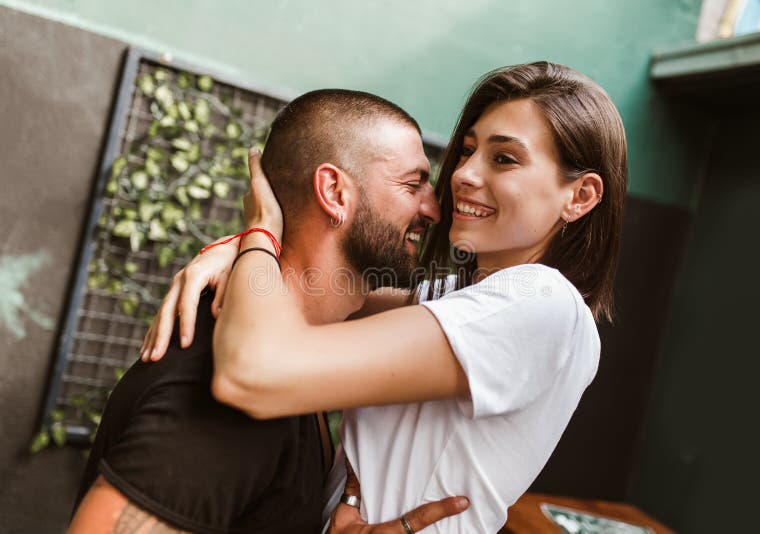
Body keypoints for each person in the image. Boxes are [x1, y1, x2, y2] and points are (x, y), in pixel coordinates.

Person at [144, 61, 627, 533]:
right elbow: (313, 291)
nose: (461, 175)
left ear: (580, 196)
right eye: (466, 151)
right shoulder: (459, 302)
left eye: (504, 158)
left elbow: (252, 372)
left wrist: (259, 231)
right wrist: (231, 248)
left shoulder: (539, 301)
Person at [68, 89, 470, 534]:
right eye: (413, 185)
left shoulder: (298, 349)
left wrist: (251, 237)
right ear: (334, 192)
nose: (433, 209)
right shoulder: (231, 397)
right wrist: (257, 235)